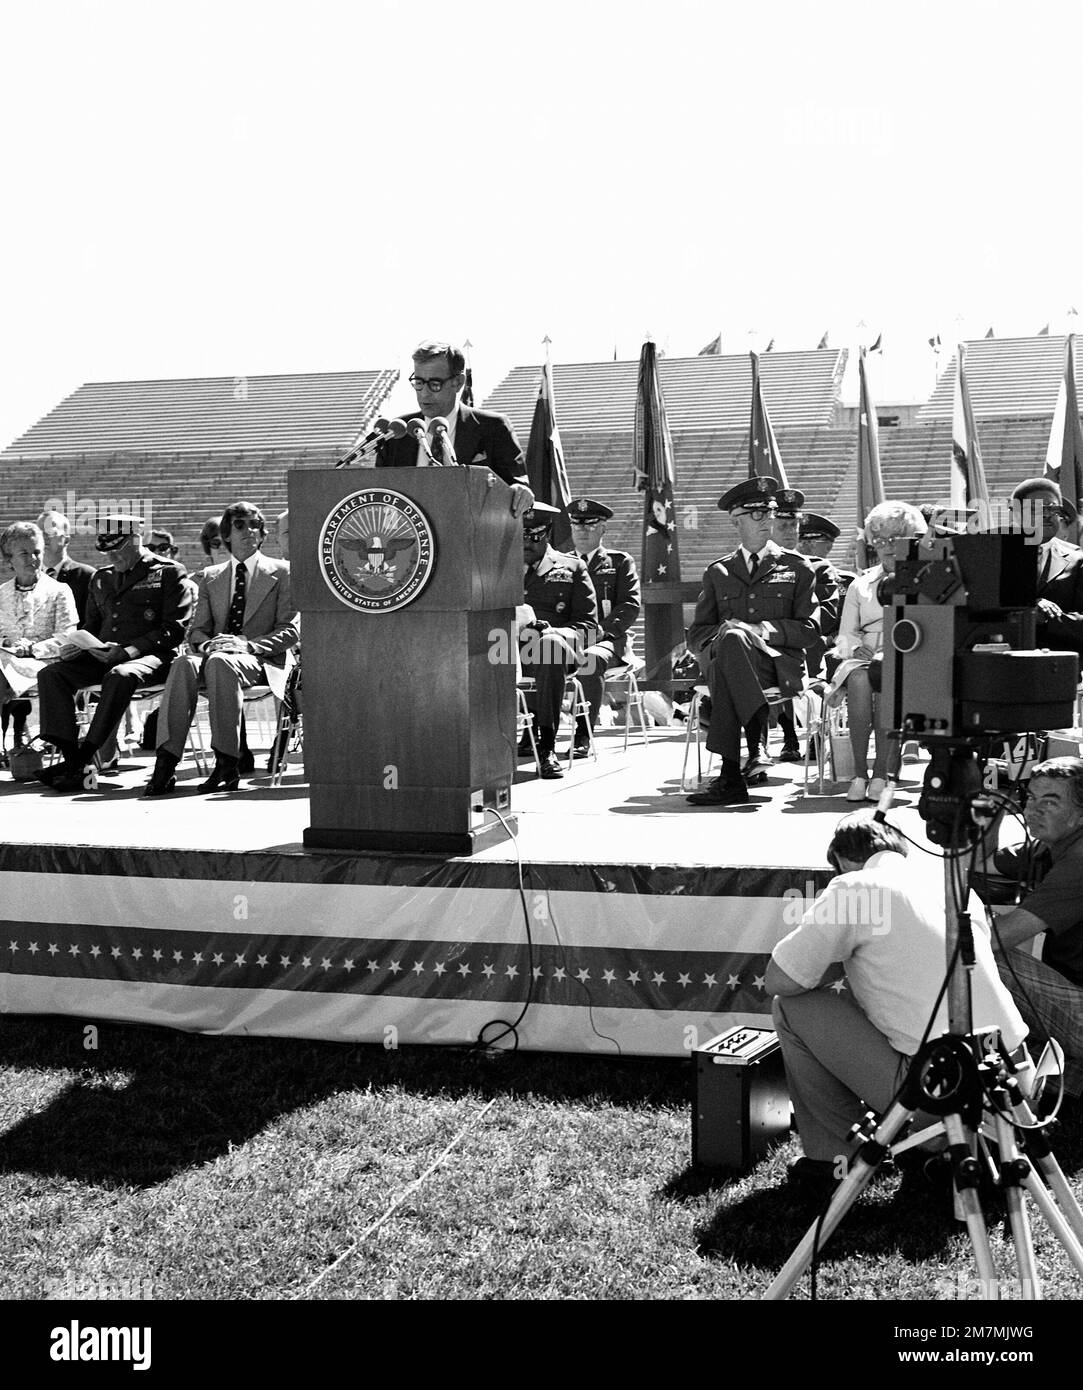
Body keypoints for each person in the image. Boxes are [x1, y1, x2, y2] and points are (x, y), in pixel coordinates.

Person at [767, 810, 1029, 1199]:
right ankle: (952, 1143)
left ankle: (836, 1155)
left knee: (791, 1008)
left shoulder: (854, 887)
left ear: (840, 859)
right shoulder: (952, 886)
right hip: (1012, 1073)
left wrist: (835, 961)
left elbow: (782, 979)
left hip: (941, 1083)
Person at [145, 501, 299, 796]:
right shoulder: (211, 576)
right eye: (240, 525)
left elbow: (290, 630)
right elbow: (197, 630)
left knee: (220, 663)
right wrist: (207, 643)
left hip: (262, 660)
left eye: (256, 526)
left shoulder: (283, 573)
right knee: (184, 664)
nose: (249, 531)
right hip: (216, 655)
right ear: (226, 535)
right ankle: (165, 764)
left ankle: (227, 761)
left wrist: (245, 644)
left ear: (264, 535)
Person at [685, 476, 821, 807]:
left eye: (770, 514)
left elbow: (809, 630)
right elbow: (697, 635)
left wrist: (759, 630)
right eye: (756, 515)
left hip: (778, 666)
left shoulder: (797, 568)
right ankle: (753, 750)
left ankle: (731, 773)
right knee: (729, 642)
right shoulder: (718, 571)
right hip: (735, 666)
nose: (767, 522)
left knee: (730, 650)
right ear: (737, 520)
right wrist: (730, 634)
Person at [34, 514, 192, 793]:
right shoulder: (102, 578)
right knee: (52, 674)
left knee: (120, 675)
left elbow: (174, 630)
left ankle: (84, 756)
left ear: (136, 539)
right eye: (108, 551)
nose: (113, 557)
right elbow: (92, 626)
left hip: (150, 658)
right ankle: (73, 758)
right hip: (105, 655)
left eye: (119, 549)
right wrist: (78, 645)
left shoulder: (168, 572)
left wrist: (129, 651)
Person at [979, 756, 1083, 1101]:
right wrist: (992, 813)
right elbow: (978, 864)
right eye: (1029, 798)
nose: (1032, 810)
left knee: (983, 961)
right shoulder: (1047, 846)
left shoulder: (1079, 859)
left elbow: (994, 941)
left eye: (1050, 802)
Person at [827, 500, 927, 803]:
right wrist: (860, 648)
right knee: (861, 679)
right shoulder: (860, 585)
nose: (886, 547)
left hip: (911, 656)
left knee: (885, 679)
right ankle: (859, 774)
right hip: (864, 656)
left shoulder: (927, 578)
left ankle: (882, 774)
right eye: (880, 540)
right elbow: (845, 636)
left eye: (894, 539)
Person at [376, 340, 534, 517]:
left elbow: (517, 487)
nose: (424, 393)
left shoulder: (494, 428)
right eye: (419, 382)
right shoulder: (397, 433)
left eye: (435, 384)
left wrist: (520, 492)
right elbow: (379, 497)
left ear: (458, 382)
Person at [518, 502, 599, 779]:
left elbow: (588, 625)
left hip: (557, 654)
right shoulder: (500, 568)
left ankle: (547, 746)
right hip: (506, 650)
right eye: (522, 536)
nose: (527, 543)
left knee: (548, 647)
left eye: (534, 536)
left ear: (548, 533)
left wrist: (554, 632)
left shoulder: (573, 567)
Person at [566, 496, 642, 756]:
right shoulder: (560, 564)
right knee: (526, 654)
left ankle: (583, 732)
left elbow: (630, 606)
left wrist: (599, 632)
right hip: (568, 640)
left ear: (602, 529)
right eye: (577, 525)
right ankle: (540, 731)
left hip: (609, 642)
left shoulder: (620, 562)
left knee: (590, 658)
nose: (582, 531)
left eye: (589, 525)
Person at [0, 522, 79, 758]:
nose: (32, 558)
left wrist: (32, 649)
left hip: (47, 665)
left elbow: (67, 637)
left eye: (37, 552)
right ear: (9, 559)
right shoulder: (0, 594)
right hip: (6, 663)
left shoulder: (60, 590)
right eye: (24, 553)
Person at [771, 490, 839, 761]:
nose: (791, 531)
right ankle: (784, 737)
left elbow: (828, 614)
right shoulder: (761, 567)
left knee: (802, 649)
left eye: (794, 525)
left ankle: (816, 734)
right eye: (783, 525)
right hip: (772, 645)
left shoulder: (819, 568)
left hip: (807, 644)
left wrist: (788, 628)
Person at [1010, 477, 1083, 663]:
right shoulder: (989, 553)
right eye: (1035, 509)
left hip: (1058, 673)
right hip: (1001, 670)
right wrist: (1028, 607)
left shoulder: (1077, 559)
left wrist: (1046, 619)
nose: (1047, 515)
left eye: (1052, 508)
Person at [37, 510, 95, 621]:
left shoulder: (86, 576)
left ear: (66, 540)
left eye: (50, 532)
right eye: (39, 533)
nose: (44, 538)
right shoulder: (29, 577)